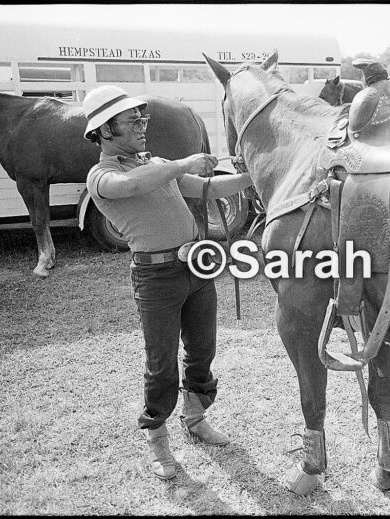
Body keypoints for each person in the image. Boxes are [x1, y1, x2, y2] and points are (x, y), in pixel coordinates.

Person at [82, 85, 252, 480]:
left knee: (202, 352)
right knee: (161, 367)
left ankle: (195, 418)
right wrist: (184, 162)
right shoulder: (102, 175)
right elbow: (134, 186)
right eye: (132, 121)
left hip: (196, 267)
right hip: (155, 277)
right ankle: (157, 440)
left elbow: (208, 189)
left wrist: (253, 175)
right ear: (105, 131)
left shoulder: (156, 163)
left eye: (143, 119)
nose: (143, 126)